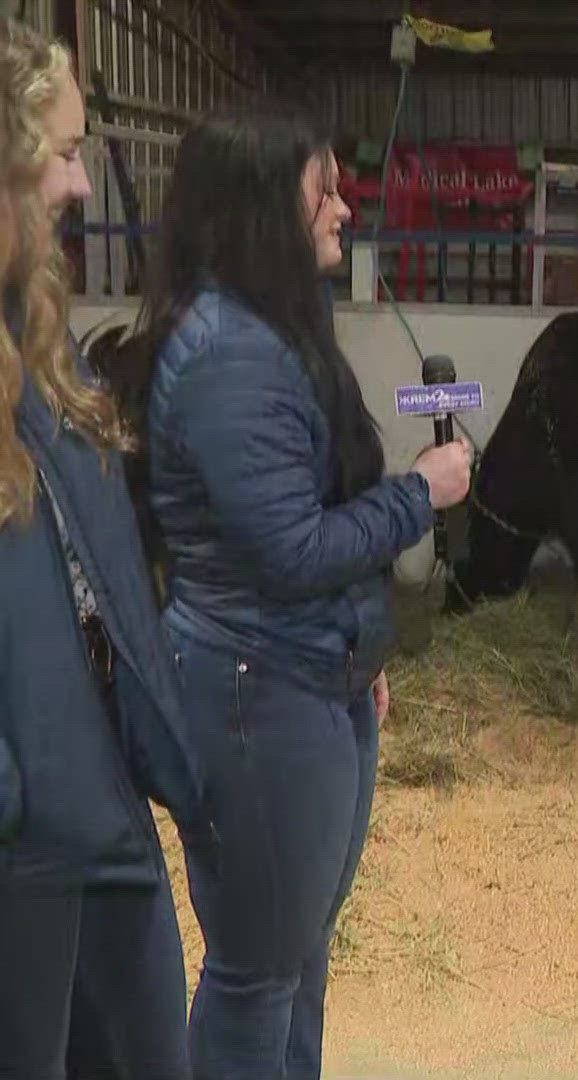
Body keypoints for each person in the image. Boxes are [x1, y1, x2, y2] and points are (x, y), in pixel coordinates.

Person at [88, 108, 472, 1079]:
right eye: (324, 193)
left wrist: (356, 656)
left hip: (309, 675)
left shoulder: (270, 331)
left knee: (299, 957)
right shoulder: (228, 358)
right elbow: (293, 551)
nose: (347, 209)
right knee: (259, 972)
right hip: (258, 692)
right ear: (263, 212)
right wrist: (420, 495)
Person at [0, 16, 204, 1079]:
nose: (84, 187)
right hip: (27, 847)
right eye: (66, 156)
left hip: (100, 817)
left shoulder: (41, 347)